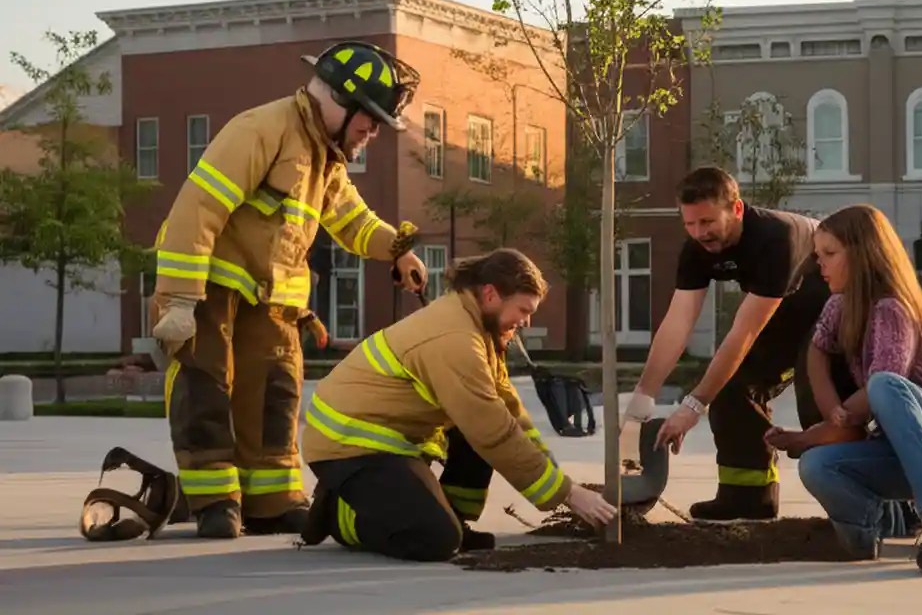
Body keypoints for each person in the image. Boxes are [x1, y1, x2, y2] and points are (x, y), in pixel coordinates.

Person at [149, 41, 429, 539]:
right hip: (211, 288)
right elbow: (198, 209)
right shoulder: (261, 129)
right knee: (205, 389)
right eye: (368, 123)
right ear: (340, 105)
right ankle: (215, 500)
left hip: (274, 301)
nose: (371, 135)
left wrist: (397, 250)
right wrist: (180, 299)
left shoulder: (327, 158)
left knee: (275, 398)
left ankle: (272, 500)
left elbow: (352, 220)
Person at [298, 249, 617, 562]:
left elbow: (510, 416)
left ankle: (449, 514)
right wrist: (569, 495)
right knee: (435, 539)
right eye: (523, 309)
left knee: (482, 430)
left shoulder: (481, 329)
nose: (527, 321)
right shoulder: (457, 339)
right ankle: (341, 517)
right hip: (349, 445)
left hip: (388, 438)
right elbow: (492, 429)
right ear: (491, 294)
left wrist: (558, 482)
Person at [763, 204, 922, 575]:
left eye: (830, 254)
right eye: (818, 255)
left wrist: (812, 433)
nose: (821, 264)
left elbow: (878, 391)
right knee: (817, 465)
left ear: (864, 254)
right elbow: (818, 351)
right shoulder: (839, 304)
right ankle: (887, 523)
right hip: (905, 450)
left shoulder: (892, 309)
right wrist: (831, 410)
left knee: (884, 384)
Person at [622, 166, 832, 521]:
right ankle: (749, 496)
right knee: (733, 386)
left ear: (736, 209)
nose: (698, 233)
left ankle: (868, 502)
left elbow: (744, 332)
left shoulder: (774, 236)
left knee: (821, 396)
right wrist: (643, 397)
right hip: (784, 306)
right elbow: (678, 322)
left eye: (706, 222)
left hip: (832, 305)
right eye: (689, 224)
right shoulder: (696, 250)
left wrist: (693, 405)